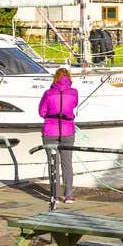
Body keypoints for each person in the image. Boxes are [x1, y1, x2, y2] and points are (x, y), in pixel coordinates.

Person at [39, 67, 78, 204]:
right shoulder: (74, 93)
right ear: (69, 77)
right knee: (67, 163)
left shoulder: (48, 93)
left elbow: (42, 112)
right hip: (67, 131)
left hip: (50, 131)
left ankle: (54, 195)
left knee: (53, 164)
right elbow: (74, 105)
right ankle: (68, 195)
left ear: (55, 78)